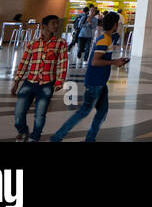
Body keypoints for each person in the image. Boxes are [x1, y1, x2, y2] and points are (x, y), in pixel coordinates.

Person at [50, 12, 126, 142]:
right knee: (83, 112)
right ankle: (57, 137)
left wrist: (116, 60)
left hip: (100, 82)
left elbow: (100, 58)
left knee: (102, 112)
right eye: (117, 23)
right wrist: (114, 62)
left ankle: (90, 138)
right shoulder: (105, 39)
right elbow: (95, 61)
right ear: (114, 25)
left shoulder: (106, 38)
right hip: (95, 82)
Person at [11, 14, 69, 141]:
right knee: (19, 112)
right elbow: (24, 62)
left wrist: (59, 81)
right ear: (44, 26)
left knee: (40, 114)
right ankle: (23, 131)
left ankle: (35, 136)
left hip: (47, 84)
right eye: (53, 23)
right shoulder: (33, 43)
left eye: (57, 23)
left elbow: (63, 63)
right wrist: (17, 81)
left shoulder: (61, 43)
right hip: (29, 82)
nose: (56, 25)